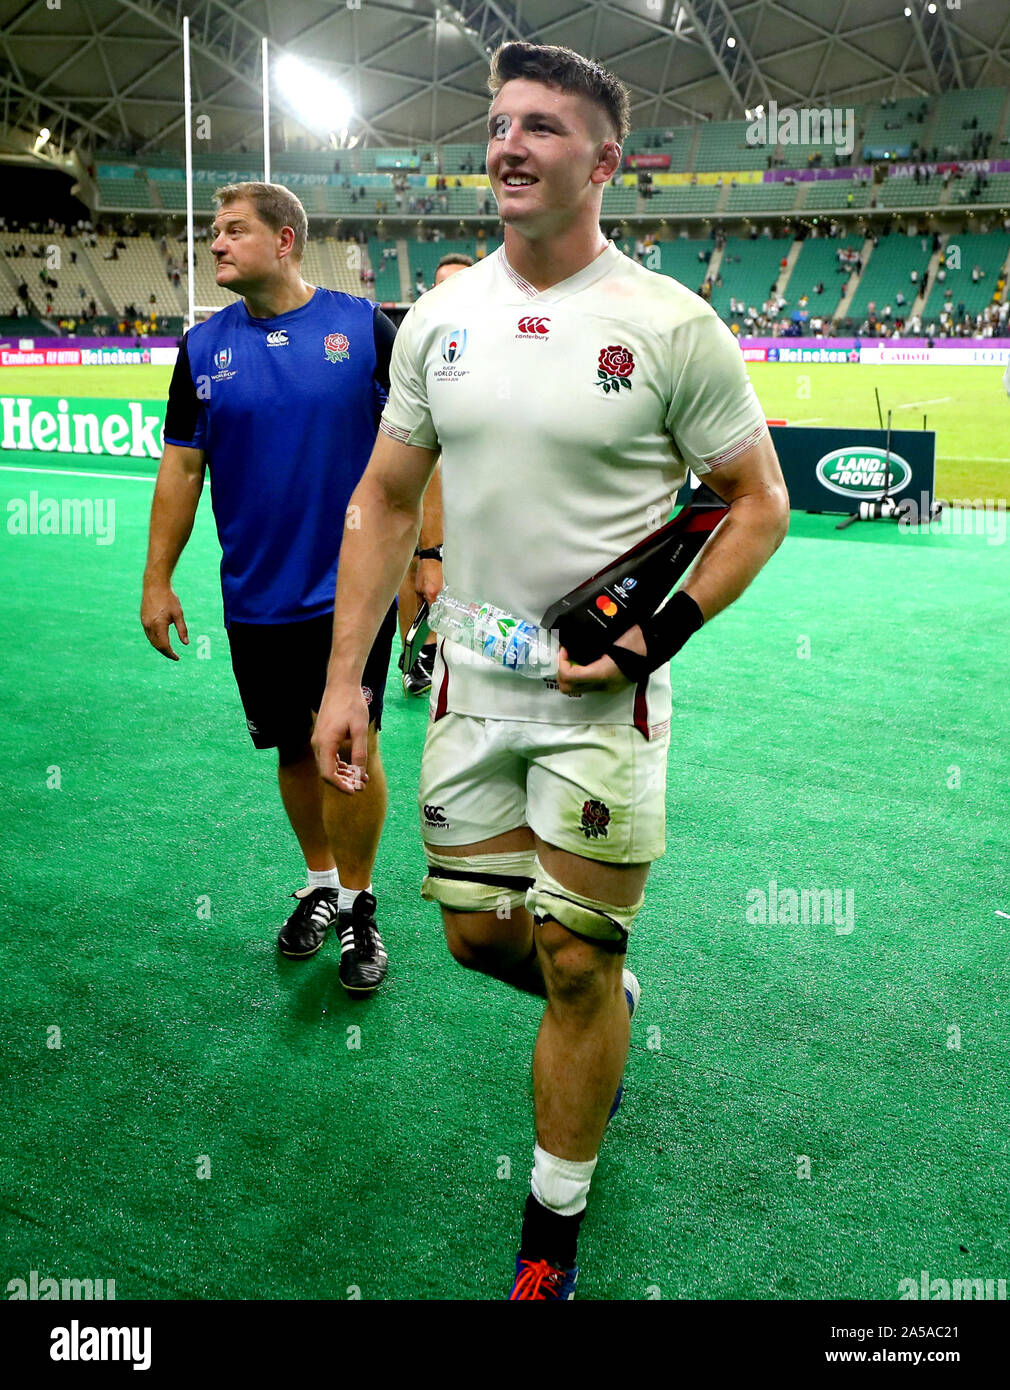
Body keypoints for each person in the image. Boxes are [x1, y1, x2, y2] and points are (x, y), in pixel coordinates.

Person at [312, 41, 788, 1299]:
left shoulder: (670, 325)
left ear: (604, 162)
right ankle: (606, 988)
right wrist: (344, 680)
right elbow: (380, 499)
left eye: (542, 127)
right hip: (468, 680)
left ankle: (548, 1240)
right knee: (476, 940)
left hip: (603, 701)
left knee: (568, 956)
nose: (509, 145)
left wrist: (652, 636)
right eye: (499, 123)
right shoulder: (441, 319)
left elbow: (755, 504)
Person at [140, 182, 399, 995]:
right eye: (213, 233)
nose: (215, 245)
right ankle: (321, 884)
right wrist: (157, 577)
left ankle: (361, 906)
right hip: (254, 594)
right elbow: (182, 465)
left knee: (349, 743)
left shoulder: (363, 330)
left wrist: (427, 558)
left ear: (285, 240)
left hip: (351, 592)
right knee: (292, 745)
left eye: (233, 231)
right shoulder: (200, 346)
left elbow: (414, 460)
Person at [396, 253, 473, 698]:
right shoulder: (417, 340)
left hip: (479, 483)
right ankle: (416, 659)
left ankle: (459, 651)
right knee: (418, 562)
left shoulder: (498, 337)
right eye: (442, 284)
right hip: (428, 474)